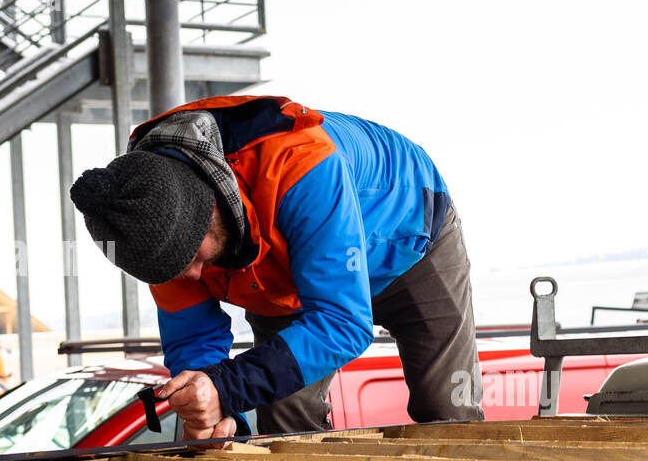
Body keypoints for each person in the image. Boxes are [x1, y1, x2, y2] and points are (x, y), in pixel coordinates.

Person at [69, 94, 484, 439]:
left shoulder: (299, 165)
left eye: (193, 258)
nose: (193, 278)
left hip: (409, 236)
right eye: (176, 271)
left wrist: (228, 385)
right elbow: (195, 350)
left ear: (209, 207)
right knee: (285, 428)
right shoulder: (153, 231)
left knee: (446, 410)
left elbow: (344, 323)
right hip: (285, 275)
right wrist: (216, 416)